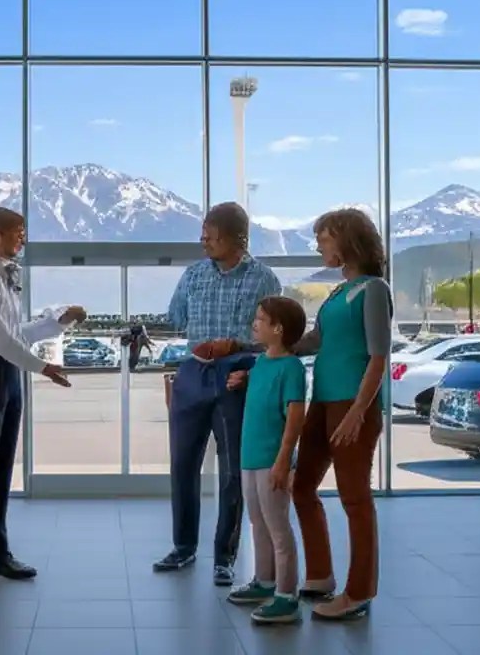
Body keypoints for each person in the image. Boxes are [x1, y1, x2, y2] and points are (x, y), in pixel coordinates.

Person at [0, 206, 87, 591]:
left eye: (23, 231)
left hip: (7, 373)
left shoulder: (8, 277)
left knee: (1, 469)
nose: (21, 238)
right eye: (15, 232)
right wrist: (42, 368)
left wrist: (58, 323)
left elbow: (17, 333)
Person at [153, 202, 282, 586]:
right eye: (203, 234)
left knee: (231, 473)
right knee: (182, 465)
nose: (204, 241)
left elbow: (272, 338)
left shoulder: (264, 279)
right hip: (192, 372)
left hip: (237, 375)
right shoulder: (193, 275)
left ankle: (224, 557)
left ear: (238, 238)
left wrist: (237, 346)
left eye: (212, 235)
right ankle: (183, 547)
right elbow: (175, 319)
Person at [289, 208, 392, 620]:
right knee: (302, 486)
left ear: (347, 240)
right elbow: (315, 340)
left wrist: (358, 412)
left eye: (324, 237)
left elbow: (378, 357)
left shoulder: (373, 290)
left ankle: (359, 592)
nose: (318, 244)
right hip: (323, 401)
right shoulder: (338, 292)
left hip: (353, 406)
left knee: (355, 498)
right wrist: (267, 346)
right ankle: (320, 577)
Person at [225, 296, 308, 624]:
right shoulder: (261, 363)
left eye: (261, 319)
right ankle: (264, 580)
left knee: (277, 526)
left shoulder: (292, 368)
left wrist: (283, 460)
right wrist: (243, 379)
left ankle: (287, 594)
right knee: (257, 522)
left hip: (273, 460)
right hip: (250, 457)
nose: (254, 324)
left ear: (279, 328)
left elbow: (295, 416)